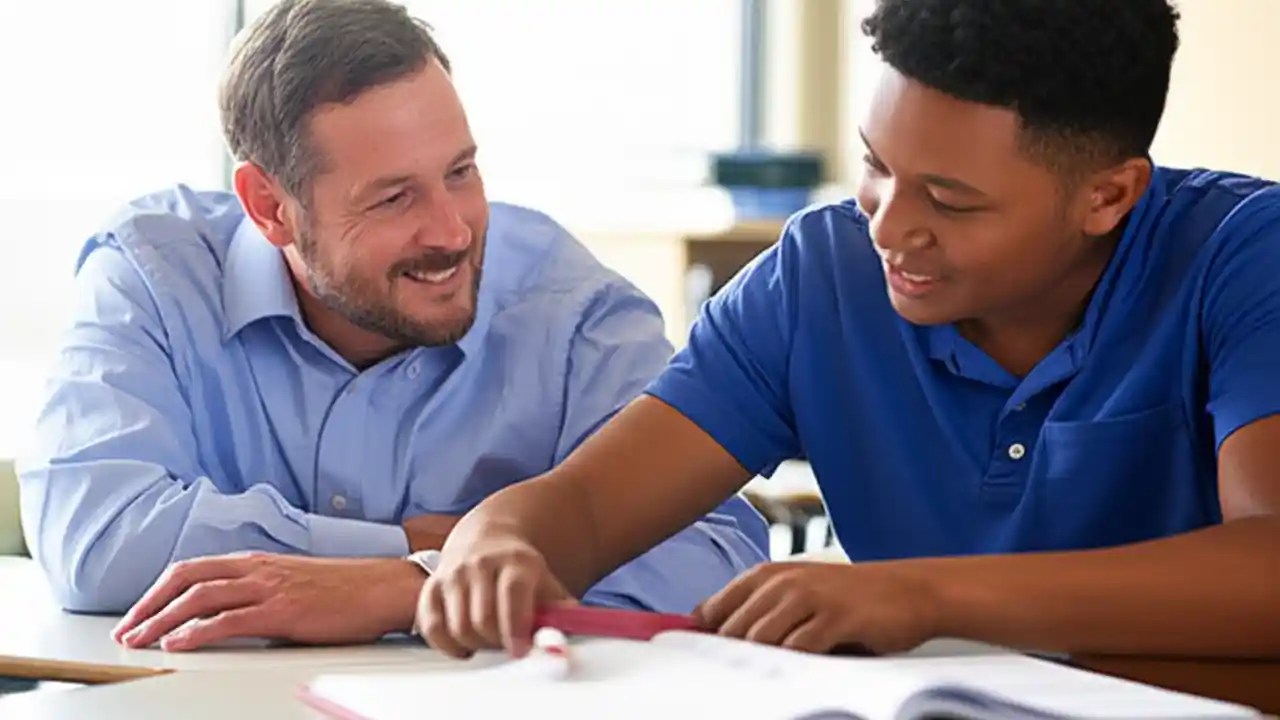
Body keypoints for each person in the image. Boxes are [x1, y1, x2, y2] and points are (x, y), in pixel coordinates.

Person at [417, 0, 1280, 661]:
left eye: (949, 200)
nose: (888, 227)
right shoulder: (816, 281)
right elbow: (586, 504)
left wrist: (926, 598)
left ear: (1109, 197)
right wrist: (499, 541)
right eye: (875, 164)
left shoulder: (1245, 258)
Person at [16, 0, 766, 652]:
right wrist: (422, 542)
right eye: (393, 199)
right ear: (270, 207)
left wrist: (413, 585)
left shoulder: (574, 315)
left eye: (461, 172)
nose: (452, 231)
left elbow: (714, 553)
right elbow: (96, 533)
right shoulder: (155, 275)